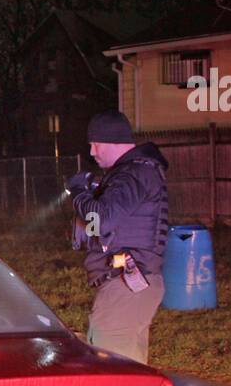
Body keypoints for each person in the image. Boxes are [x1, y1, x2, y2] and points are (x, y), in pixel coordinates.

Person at [66, 110, 169, 365]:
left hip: (126, 284)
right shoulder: (132, 173)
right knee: (126, 368)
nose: (92, 152)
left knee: (111, 370)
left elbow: (103, 220)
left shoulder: (135, 173)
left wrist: (79, 192)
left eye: (95, 144)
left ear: (111, 141)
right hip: (128, 283)